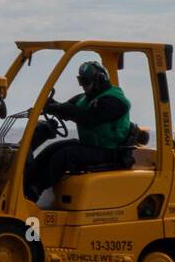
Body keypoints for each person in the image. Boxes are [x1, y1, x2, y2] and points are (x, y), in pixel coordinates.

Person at [24, 61, 132, 200]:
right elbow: (66, 108)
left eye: (86, 81)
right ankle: (24, 183)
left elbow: (88, 118)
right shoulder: (85, 98)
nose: (83, 86)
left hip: (109, 151)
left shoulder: (114, 101)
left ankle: (36, 190)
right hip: (91, 146)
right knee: (51, 150)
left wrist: (62, 109)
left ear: (100, 79)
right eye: (81, 81)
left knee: (66, 155)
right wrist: (51, 106)